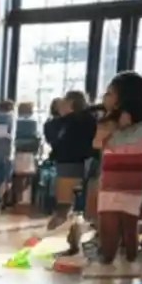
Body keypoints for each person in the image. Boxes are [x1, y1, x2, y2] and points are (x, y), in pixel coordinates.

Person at [88, 71, 142, 274]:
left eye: (110, 93)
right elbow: (97, 143)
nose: (105, 98)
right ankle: (107, 259)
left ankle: (130, 259)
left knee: (129, 228)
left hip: (134, 185)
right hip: (111, 182)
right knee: (109, 227)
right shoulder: (108, 122)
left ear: (124, 97)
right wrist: (111, 123)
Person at [47, 91, 98, 254]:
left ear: (70, 104)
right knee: (79, 208)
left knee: (66, 206)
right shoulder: (90, 119)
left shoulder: (67, 123)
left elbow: (57, 141)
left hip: (70, 164)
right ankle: (75, 239)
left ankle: (72, 240)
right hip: (87, 164)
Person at [13, 102, 41, 208]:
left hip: (17, 150)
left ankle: (16, 197)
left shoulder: (16, 122)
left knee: (16, 175)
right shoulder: (33, 122)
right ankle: (28, 199)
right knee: (28, 175)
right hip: (29, 151)